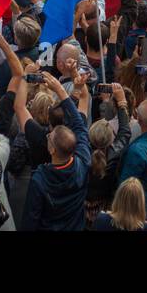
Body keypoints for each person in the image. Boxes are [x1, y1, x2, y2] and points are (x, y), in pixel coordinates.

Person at [21, 73, 92, 230]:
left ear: (52, 149)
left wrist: (62, 90)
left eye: (49, 137)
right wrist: (61, 90)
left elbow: (30, 220)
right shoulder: (83, 162)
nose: (47, 136)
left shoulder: (40, 180)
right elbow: (79, 125)